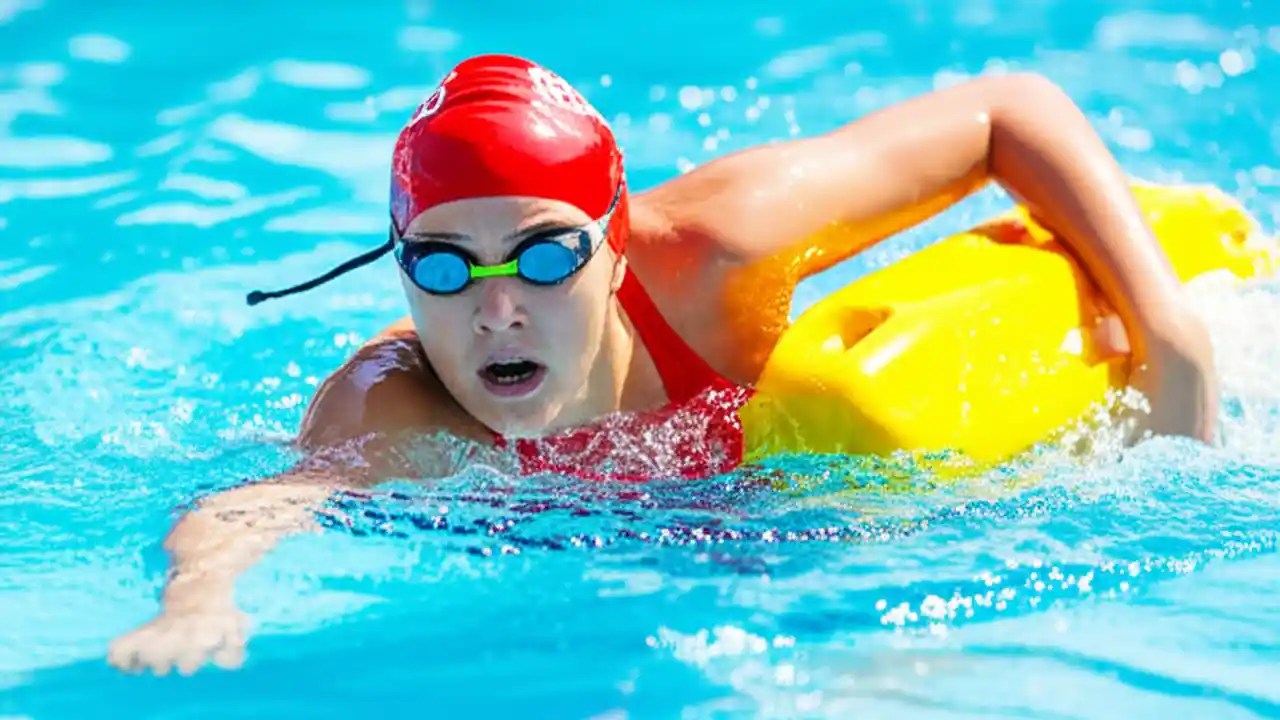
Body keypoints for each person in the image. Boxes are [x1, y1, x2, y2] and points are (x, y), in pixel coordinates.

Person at [108, 54, 1217, 675]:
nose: (497, 311)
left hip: (798, 500)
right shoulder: (395, 412)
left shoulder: (715, 259)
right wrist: (194, 602)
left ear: (617, 241)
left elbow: (1004, 109)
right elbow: (255, 507)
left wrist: (1167, 333)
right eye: (443, 268)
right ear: (397, 272)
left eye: (543, 255)